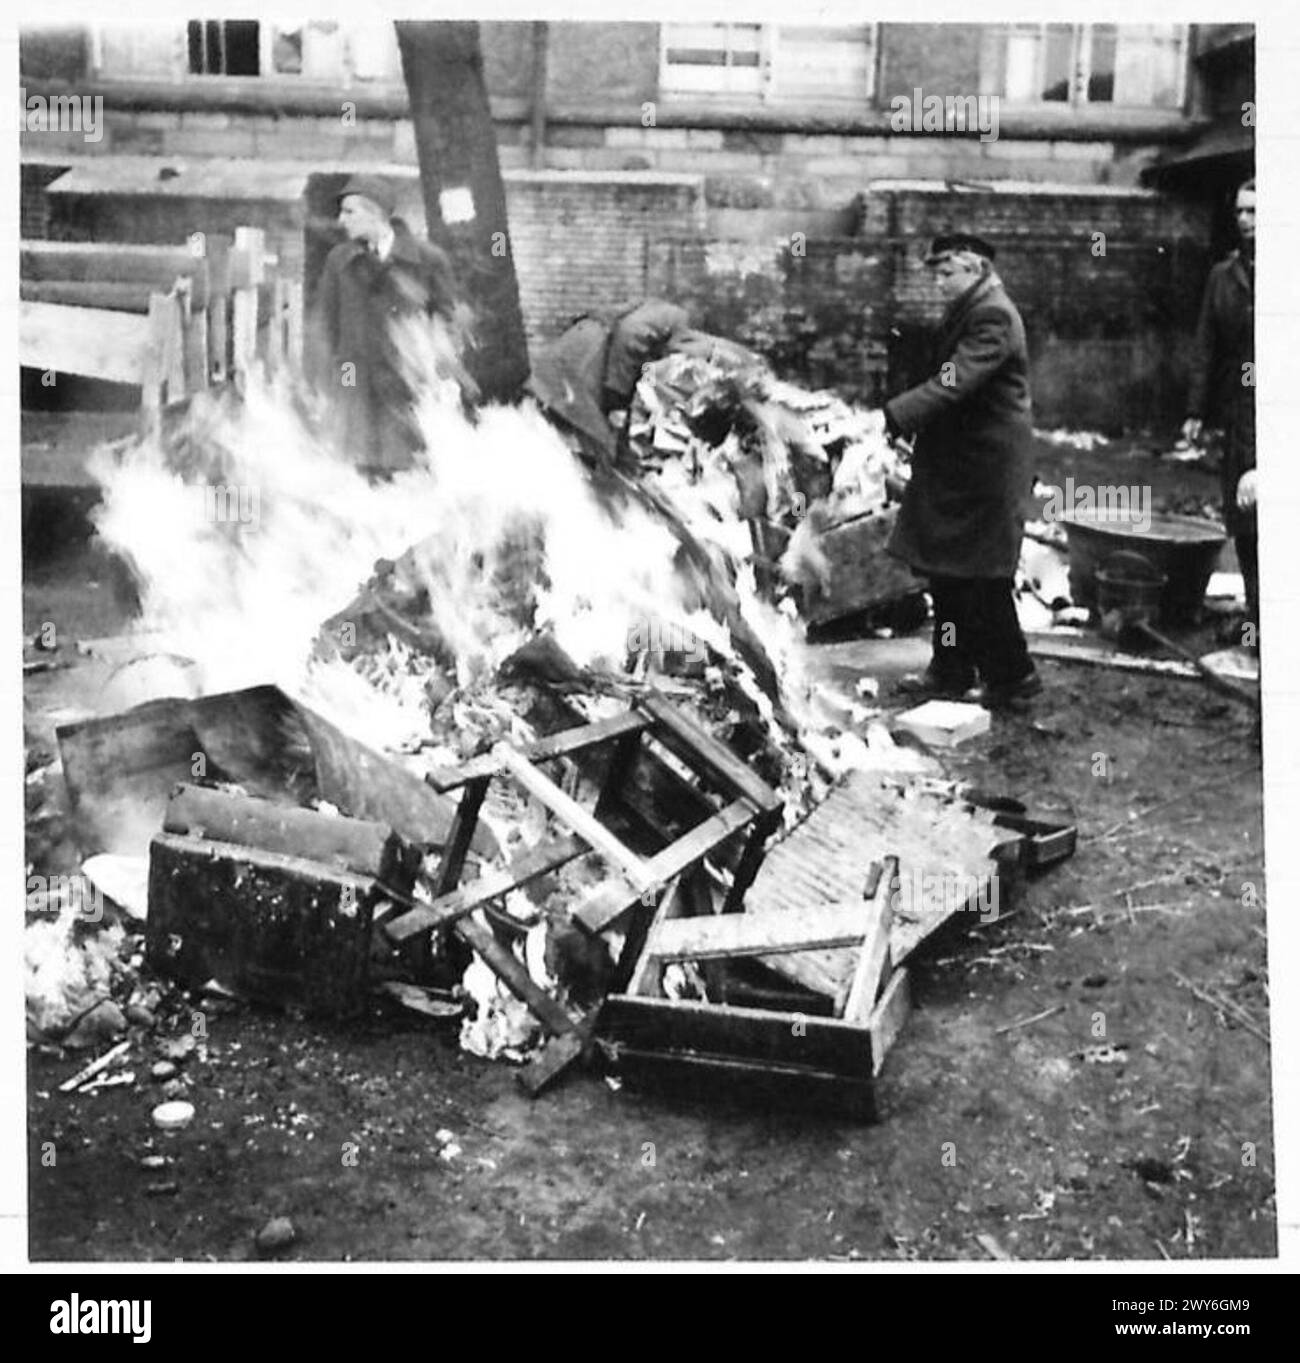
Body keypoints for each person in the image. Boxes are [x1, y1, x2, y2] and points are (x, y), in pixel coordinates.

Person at [885, 233, 1039, 708]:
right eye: (936, 272)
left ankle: (1013, 677)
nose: (938, 281)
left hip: (985, 468)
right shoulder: (976, 306)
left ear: (974, 269)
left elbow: (955, 379)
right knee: (947, 575)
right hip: (962, 463)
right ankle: (950, 669)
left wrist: (898, 413)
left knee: (982, 578)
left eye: (946, 272)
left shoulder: (993, 314)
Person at [307, 174, 459, 473]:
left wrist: (438, 373)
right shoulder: (339, 261)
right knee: (357, 476)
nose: (341, 220)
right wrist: (327, 386)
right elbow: (325, 328)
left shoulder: (429, 260)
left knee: (408, 476)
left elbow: (445, 325)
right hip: (355, 389)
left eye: (350, 212)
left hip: (406, 392)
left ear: (374, 212)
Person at [1182, 177, 1256, 642]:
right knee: (1243, 518)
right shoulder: (1222, 276)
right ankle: (1257, 615)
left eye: (1256, 211)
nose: (1246, 221)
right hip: (1237, 414)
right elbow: (1206, 345)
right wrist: (1195, 409)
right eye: (1241, 212)